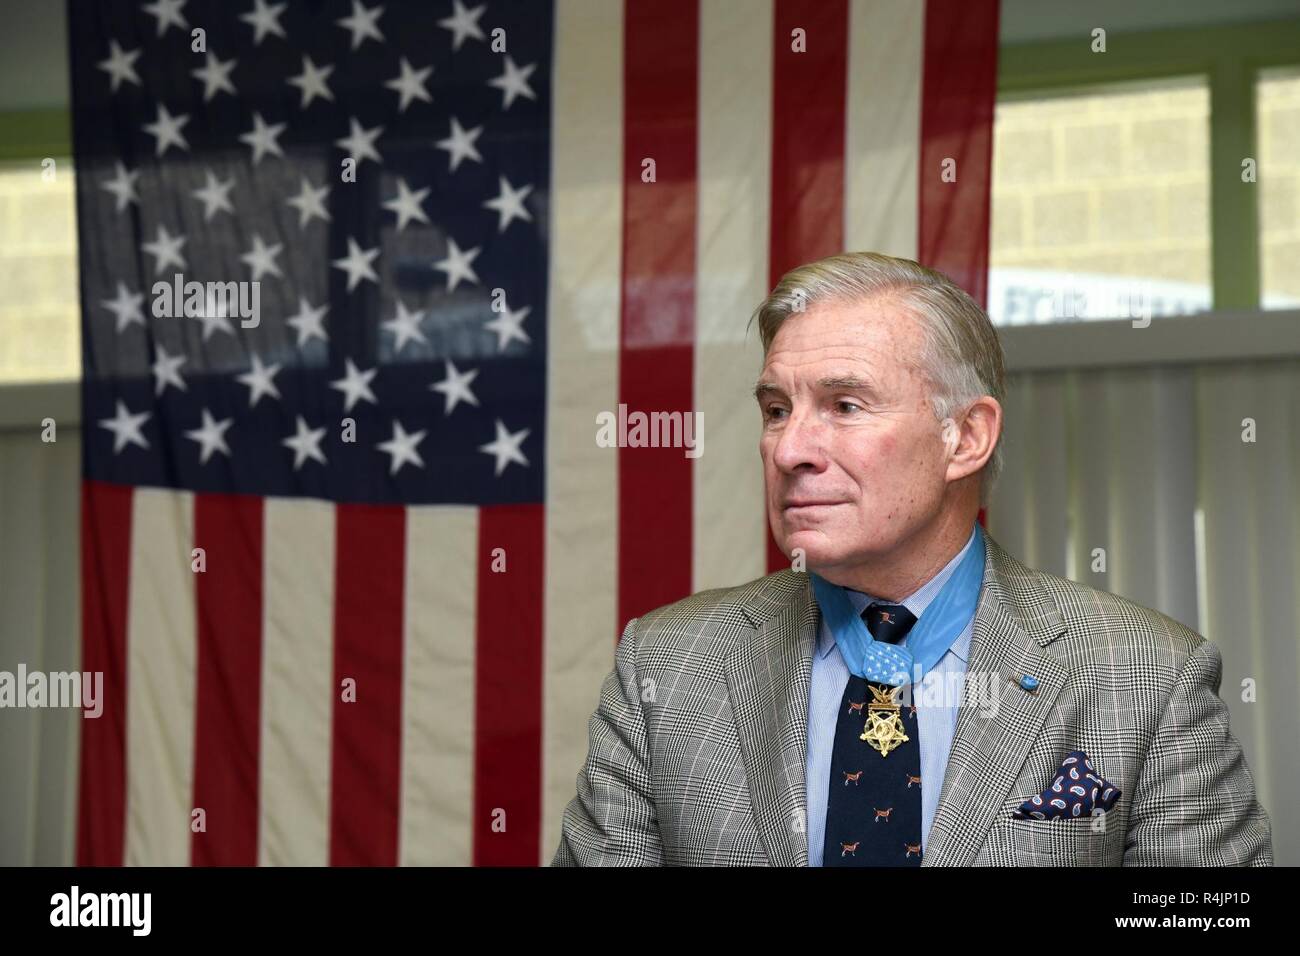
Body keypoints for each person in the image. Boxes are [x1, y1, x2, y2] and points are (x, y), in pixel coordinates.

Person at [551, 252, 1272, 866]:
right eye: (776, 410)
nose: (790, 449)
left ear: (965, 436)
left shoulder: (1145, 678)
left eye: (844, 406)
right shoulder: (668, 666)